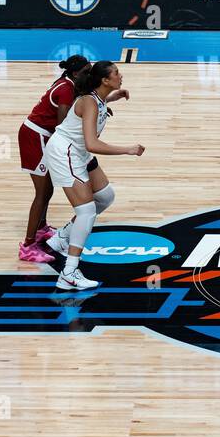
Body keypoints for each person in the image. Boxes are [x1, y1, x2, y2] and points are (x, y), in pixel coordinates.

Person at [42, 62, 145, 291]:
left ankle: (62, 237)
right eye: (117, 73)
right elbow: (92, 143)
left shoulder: (96, 98)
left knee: (105, 197)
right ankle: (68, 272)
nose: (121, 75)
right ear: (105, 80)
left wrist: (113, 97)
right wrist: (127, 149)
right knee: (86, 212)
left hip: (79, 152)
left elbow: (95, 104)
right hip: (65, 153)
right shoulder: (88, 101)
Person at [16, 56, 94, 263]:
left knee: (48, 190)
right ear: (76, 73)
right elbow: (63, 126)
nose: (90, 74)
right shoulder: (66, 90)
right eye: (87, 71)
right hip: (36, 137)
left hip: (41, 136)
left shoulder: (70, 84)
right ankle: (28, 246)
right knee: (42, 192)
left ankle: (41, 229)